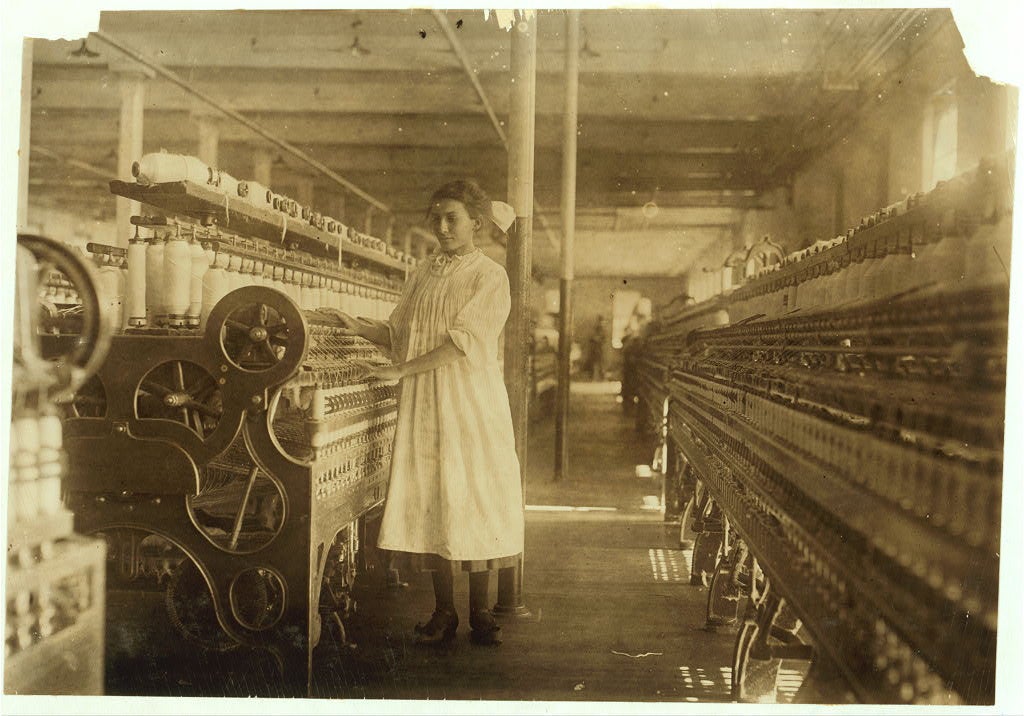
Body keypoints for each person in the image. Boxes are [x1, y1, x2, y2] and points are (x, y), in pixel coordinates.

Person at [316, 180, 523, 646]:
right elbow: (397, 330)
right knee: (438, 498)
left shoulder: (489, 276)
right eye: (437, 218)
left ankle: (482, 611)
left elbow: (463, 342)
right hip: (427, 401)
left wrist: (401, 371)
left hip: (470, 400)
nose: (443, 226)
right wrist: (352, 324)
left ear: (476, 222)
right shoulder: (423, 271)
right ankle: (444, 611)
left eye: (453, 217)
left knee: (473, 496)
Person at [588, 315, 608, 381]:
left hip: (601, 348)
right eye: (601, 321)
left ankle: (602, 378)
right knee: (595, 363)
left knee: (601, 363)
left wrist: (597, 339)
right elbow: (592, 338)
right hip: (596, 348)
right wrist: (595, 339)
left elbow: (604, 339)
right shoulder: (597, 328)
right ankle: (595, 377)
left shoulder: (603, 330)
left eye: (602, 321)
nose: (601, 323)